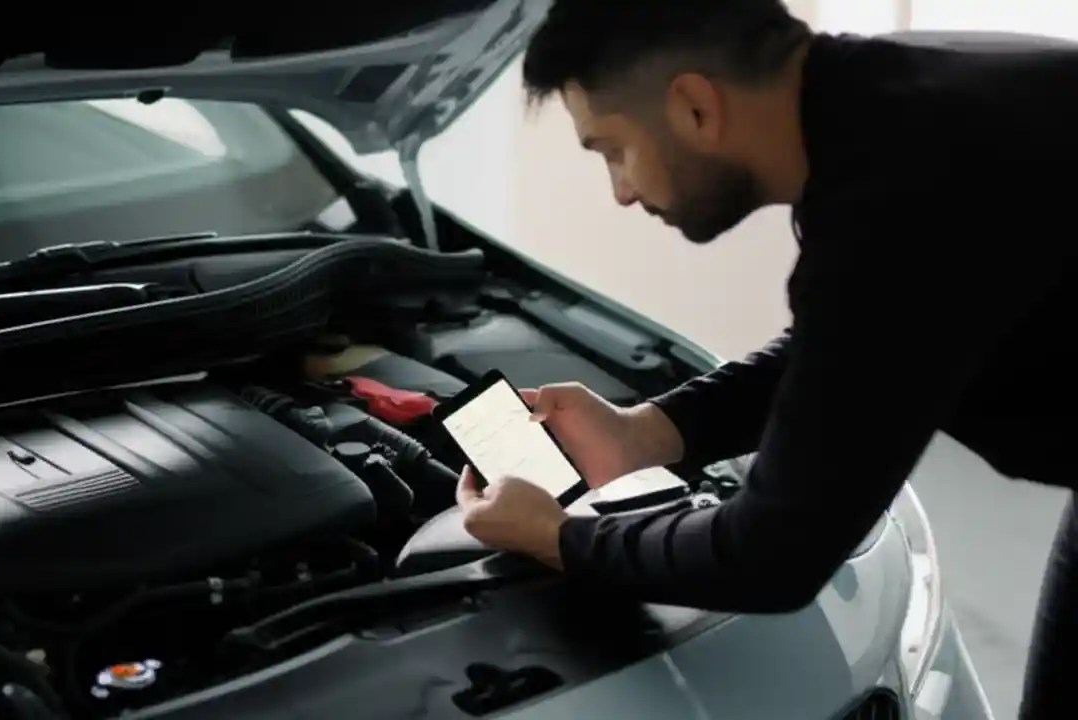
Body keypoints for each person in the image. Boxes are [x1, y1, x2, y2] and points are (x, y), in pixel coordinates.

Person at [451, 1, 1077, 717]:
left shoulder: (896, 202)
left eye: (613, 151)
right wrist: (649, 431)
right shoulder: (901, 101)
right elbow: (860, 340)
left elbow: (774, 555)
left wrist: (562, 539)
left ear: (693, 107)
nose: (621, 192)